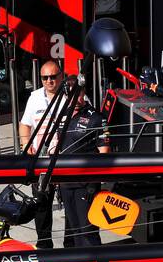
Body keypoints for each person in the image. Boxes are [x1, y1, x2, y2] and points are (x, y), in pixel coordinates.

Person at [19, 58, 68, 248]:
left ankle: (70, 246)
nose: (49, 81)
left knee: (69, 206)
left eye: (53, 77)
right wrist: (25, 143)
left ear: (61, 76)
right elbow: (25, 124)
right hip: (41, 160)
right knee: (42, 205)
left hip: (65, 160)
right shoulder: (35, 97)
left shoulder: (72, 96)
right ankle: (44, 245)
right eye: (45, 77)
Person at [57, 95, 110, 247]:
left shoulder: (96, 118)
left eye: (78, 94)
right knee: (74, 230)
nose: (75, 99)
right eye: (71, 95)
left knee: (88, 231)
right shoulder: (62, 114)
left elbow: (104, 152)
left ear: (83, 94)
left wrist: (94, 182)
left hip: (86, 185)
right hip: (66, 183)